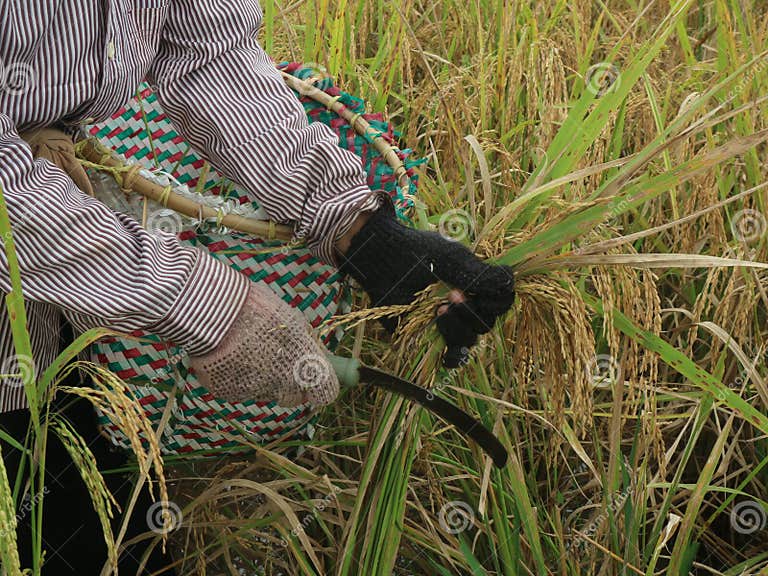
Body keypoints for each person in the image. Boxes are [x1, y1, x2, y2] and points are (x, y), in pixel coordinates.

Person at [0, 1, 516, 573]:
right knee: (38, 510)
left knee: (108, 486)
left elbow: (211, 57)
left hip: (58, 275)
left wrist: (363, 234)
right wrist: (197, 303)